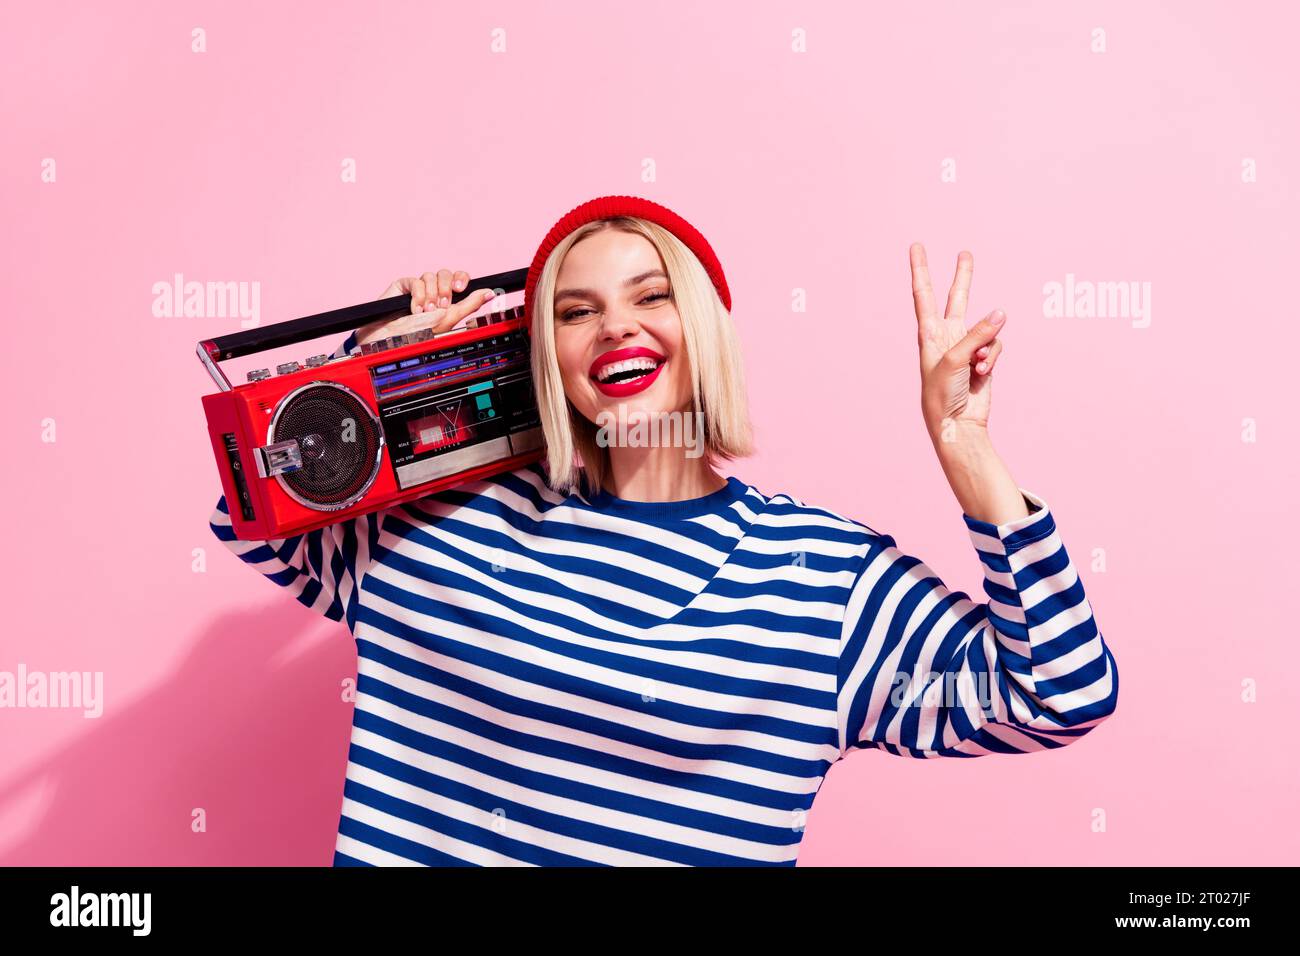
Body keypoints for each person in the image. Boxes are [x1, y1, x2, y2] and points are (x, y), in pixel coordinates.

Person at [208, 195, 1119, 866]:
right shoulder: (437, 523)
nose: (615, 328)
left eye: (652, 296)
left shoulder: (824, 579)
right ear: (541, 352)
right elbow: (249, 511)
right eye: (574, 311)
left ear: (708, 330)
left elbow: (1059, 693)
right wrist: (385, 369)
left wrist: (962, 443)